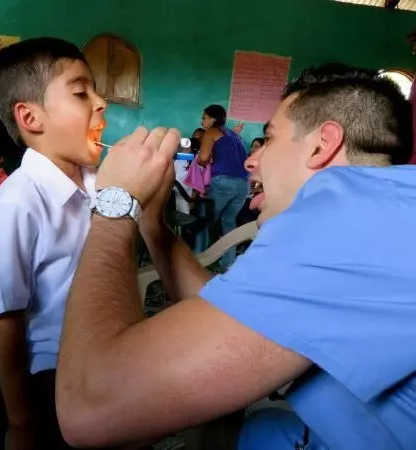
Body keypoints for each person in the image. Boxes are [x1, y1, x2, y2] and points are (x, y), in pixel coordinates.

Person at [57, 64, 416, 450]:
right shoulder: (383, 212)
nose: (250, 160)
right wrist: (152, 224)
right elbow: (233, 322)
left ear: (321, 144)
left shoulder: (344, 218)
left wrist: (115, 205)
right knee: (260, 430)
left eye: (270, 140)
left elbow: (90, 406)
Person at [0, 37, 106, 450]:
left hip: (101, 361)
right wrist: (20, 422)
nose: (101, 102)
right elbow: (6, 324)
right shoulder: (14, 206)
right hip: (43, 382)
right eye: (82, 92)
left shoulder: (100, 187)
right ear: (30, 117)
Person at [195, 104, 248, 269]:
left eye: (204, 117)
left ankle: (199, 260)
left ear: (213, 118)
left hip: (224, 183)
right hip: (243, 184)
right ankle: (228, 264)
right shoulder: (233, 134)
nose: (202, 121)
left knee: (205, 220)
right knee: (228, 222)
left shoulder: (211, 132)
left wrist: (202, 158)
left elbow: (202, 158)